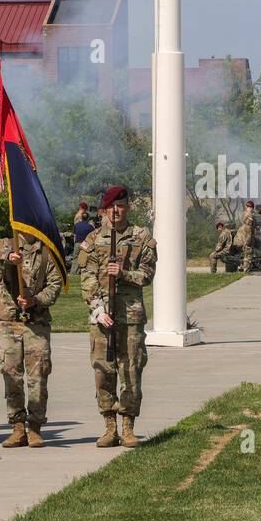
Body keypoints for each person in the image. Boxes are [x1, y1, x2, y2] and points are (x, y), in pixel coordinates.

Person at [81, 185, 156, 448]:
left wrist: (123, 274)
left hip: (131, 316)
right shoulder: (91, 240)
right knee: (103, 370)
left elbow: (147, 274)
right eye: (111, 207)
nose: (116, 211)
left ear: (127, 207)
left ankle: (128, 426)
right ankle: (109, 426)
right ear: (104, 210)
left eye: (121, 206)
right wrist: (97, 308)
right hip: (103, 316)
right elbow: (87, 276)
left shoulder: (141, 237)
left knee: (131, 370)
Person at [0, 231, 64, 448]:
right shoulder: (5, 245)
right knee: (10, 374)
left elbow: (54, 285)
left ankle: (35, 427)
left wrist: (35, 300)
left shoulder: (48, 252)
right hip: (9, 321)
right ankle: (17, 427)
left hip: (36, 323)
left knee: (38, 376)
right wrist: (8, 262)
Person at [232, 199, 259, 271]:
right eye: (248, 206)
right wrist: (248, 241)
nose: (249, 208)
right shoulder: (250, 216)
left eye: (250, 207)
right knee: (248, 253)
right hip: (244, 238)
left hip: (238, 240)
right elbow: (249, 229)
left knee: (245, 252)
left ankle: (243, 266)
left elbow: (253, 225)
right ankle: (246, 269)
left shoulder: (244, 214)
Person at [72, 202, 95, 274]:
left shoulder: (77, 222)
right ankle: (83, 271)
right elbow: (93, 234)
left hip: (78, 241)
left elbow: (75, 233)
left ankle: (73, 272)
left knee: (76, 257)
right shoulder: (89, 226)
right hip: (85, 242)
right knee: (86, 256)